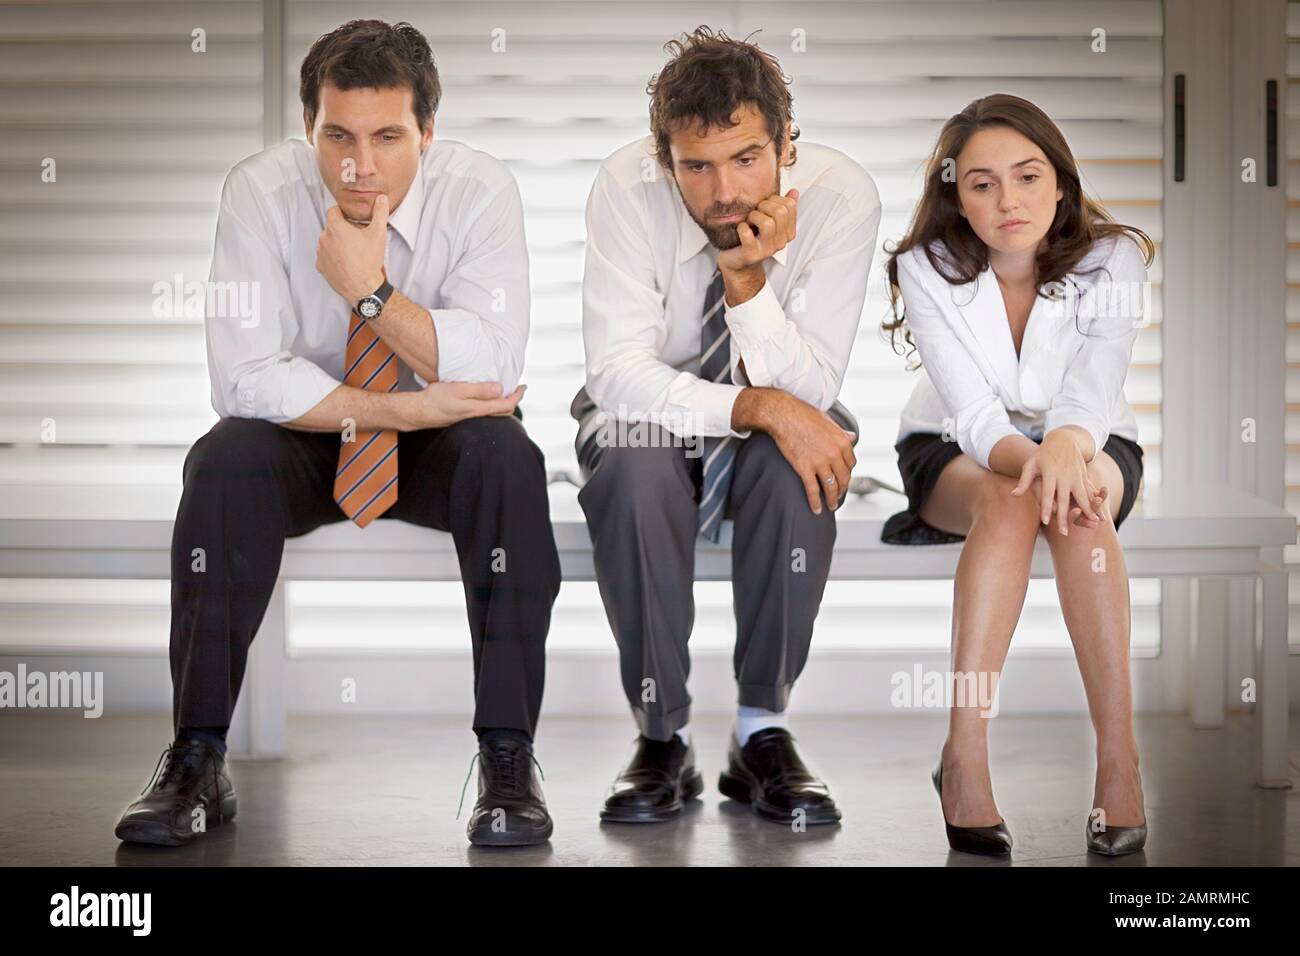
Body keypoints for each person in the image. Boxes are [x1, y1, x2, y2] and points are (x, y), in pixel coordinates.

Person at [114, 19, 561, 849]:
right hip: (317, 430)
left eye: (389, 137)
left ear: (429, 130)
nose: (360, 165)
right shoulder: (259, 190)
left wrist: (370, 297)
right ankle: (196, 756)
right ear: (309, 127)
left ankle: (508, 759)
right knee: (222, 460)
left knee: (509, 460)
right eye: (338, 136)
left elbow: (492, 366)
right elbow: (242, 379)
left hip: (447, 438)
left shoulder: (481, 190)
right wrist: (398, 406)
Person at [572, 27, 881, 826]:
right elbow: (615, 372)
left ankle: (761, 729)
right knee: (636, 472)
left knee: (796, 468)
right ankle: (661, 734)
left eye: (747, 158)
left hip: (785, 399)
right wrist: (752, 407)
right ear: (664, 157)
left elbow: (809, 386)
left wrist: (746, 282)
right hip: (650, 408)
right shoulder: (624, 188)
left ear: (786, 145)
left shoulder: (842, 199)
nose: (723, 192)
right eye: (696, 166)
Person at [881, 93, 1154, 856]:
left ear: (1060, 182)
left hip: (1094, 438)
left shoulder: (1115, 259)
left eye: (1028, 177)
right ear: (955, 195)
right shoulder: (923, 269)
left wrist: (1066, 453)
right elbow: (971, 414)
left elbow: (1094, 386)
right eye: (982, 184)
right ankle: (964, 757)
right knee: (1010, 501)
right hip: (956, 448)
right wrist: (1039, 464)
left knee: (1082, 506)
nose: (1009, 201)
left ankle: (1117, 761)